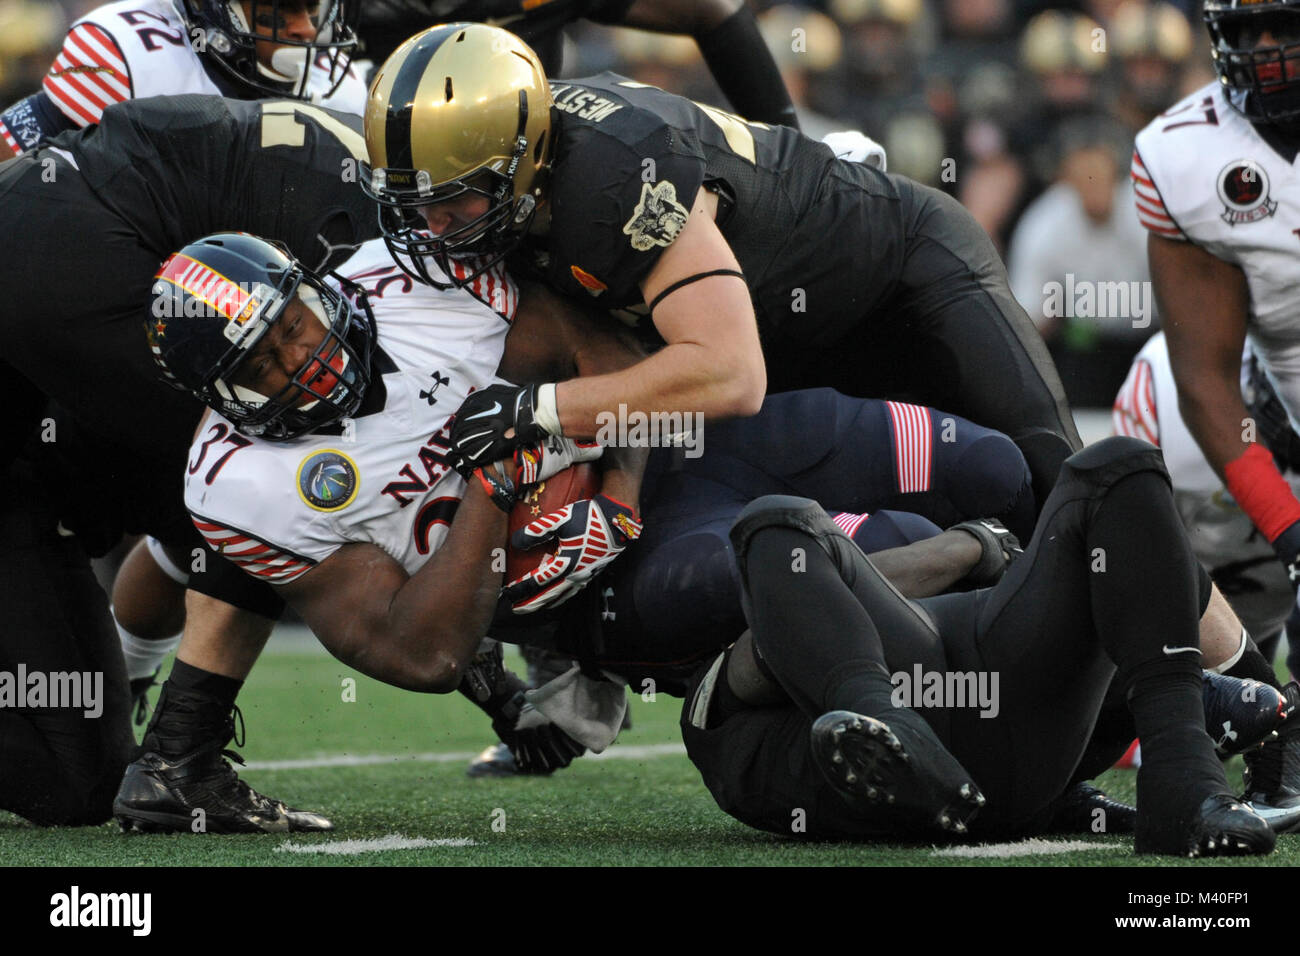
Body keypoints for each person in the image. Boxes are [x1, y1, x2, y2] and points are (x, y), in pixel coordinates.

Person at [117, 230, 1055, 825]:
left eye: (293, 323)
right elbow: (423, 653)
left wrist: (615, 484)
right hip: (610, 580)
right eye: (268, 361)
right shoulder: (244, 487)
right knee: (868, 549)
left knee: (992, 465)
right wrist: (494, 483)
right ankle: (1028, 611)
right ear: (223, 399)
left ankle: (1047, 581)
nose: (304, 354)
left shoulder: (400, 286)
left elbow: (603, 349)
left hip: (680, 455)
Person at [359, 23, 1082, 514]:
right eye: (414, 200)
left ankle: (1193, 673)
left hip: (900, 272)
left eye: (453, 197)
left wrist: (540, 414)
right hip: (796, 340)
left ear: (522, 158)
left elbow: (728, 375)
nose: (435, 224)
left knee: (1063, 487)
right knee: (884, 527)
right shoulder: (518, 201)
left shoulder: (613, 178)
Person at [0, 93, 377, 828]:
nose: (299, 33)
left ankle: (175, 753)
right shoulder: (132, 47)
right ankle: (182, 755)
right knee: (264, 480)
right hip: (54, 258)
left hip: (31, 472)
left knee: (72, 782)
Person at [681, 437, 1293, 856]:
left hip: (1012, 730)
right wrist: (972, 545)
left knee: (1121, 464)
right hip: (950, 728)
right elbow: (789, 591)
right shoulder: (744, 674)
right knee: (775, 524)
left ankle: (1182, 761)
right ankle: (887, 720)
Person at [1131, 0, 1300, 816]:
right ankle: (1183, 684)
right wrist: (1291, 530)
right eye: (1247, 31)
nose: (1264, 50)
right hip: (1265, 401)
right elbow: (1203, 374)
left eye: (1285, 27)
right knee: (1156, 395)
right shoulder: (1186, 155)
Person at [0, 0, 365, 160]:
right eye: (281, 8)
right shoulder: (131, 50)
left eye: (313, 8)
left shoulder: (340, 85)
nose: (305, 29)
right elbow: (12, 157)